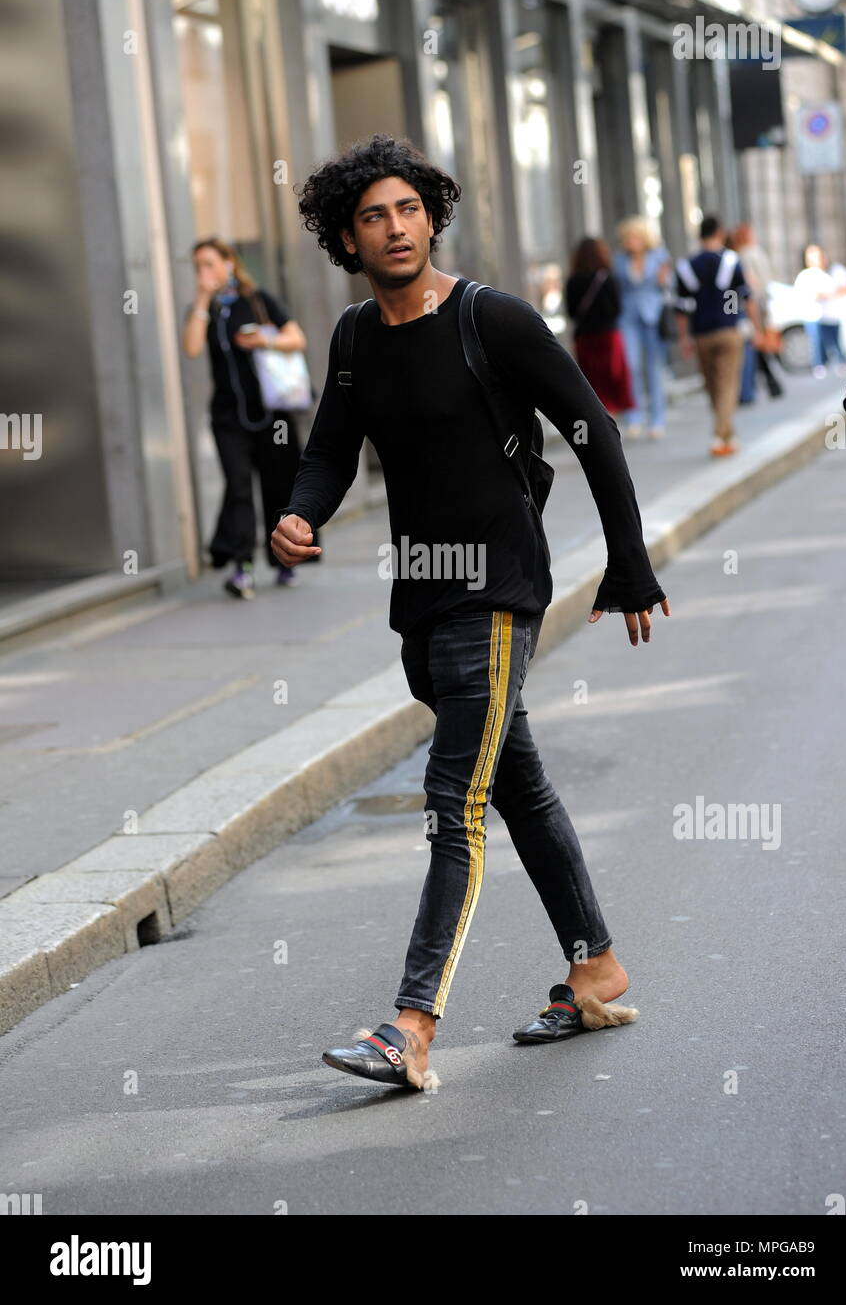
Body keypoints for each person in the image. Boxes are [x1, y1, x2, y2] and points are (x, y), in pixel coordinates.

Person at [271, 133, 670, 1092]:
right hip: (421, 596)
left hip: (497, 592)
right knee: (516, 787)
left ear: (431, 217)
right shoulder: (358, 337)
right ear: (346, 238)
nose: (394, 227)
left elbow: (593, 429)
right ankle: (595, 968)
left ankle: (410, 1026)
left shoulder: (493, 320)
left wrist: (628, 563)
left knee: (454, 806)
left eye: (408, 209)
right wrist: (296, 510)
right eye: (372, 216)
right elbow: (330, 449)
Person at [183, 237, 311, 598]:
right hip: (228, 417)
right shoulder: (203, 309)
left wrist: (264, 342)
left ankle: (286, 561)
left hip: (273, 413)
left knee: (280, 484)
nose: (203, 273)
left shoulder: (257, 299)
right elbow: (191, 348)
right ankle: (244, 567)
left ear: (228, 263)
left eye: (209, 264)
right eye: (198, 267)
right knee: (238, 488)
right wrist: (203, 300)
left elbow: (296, 337)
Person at [675, 216, 762, 457]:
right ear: (720, 233)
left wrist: (684, 338)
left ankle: (727, 436)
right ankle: (720, 435)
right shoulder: (731, 260)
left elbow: (681, 308)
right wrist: (757, 328)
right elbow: (747, 297)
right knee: (727, 385)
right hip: (729, 330)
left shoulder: (686, 266)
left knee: (713, 386)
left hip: (701, 333)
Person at [613, 216, 672, 438]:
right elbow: (616, 288)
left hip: (653, 316)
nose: (631, 241)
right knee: (630, 366)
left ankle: (657, 420)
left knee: (654, 369)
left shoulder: (659, 256)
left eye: (635, 237)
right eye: (628, 237)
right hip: (627, 318)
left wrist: (664, 278)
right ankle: (634, 417)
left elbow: (669, 285)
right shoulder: (619, 259)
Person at [565, 237, 635, 420]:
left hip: (584, 337)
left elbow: (572, 313)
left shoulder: (572, 281)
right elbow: (617, 308)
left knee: (591, 378)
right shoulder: (607, 278)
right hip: (608, 334)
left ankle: (599, 414)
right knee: (613, 374)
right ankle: (614, 412)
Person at [730, 222, 784, 404]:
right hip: (759, 304)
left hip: (750, 306)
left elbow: (749, 285)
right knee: (756, 347)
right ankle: (764, 386)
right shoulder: (756, 253)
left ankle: (749, 391)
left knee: (752, 347)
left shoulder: (744, 255)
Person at [793, 244, 846, 380]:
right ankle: (819, 364)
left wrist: (829, 295)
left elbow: (844, 288)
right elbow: (800, 295)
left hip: (832, 314)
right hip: (814, 315)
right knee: (816, 342)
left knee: (835, 341)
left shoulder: (833, 271)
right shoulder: (805, 276)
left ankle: (840, 361)